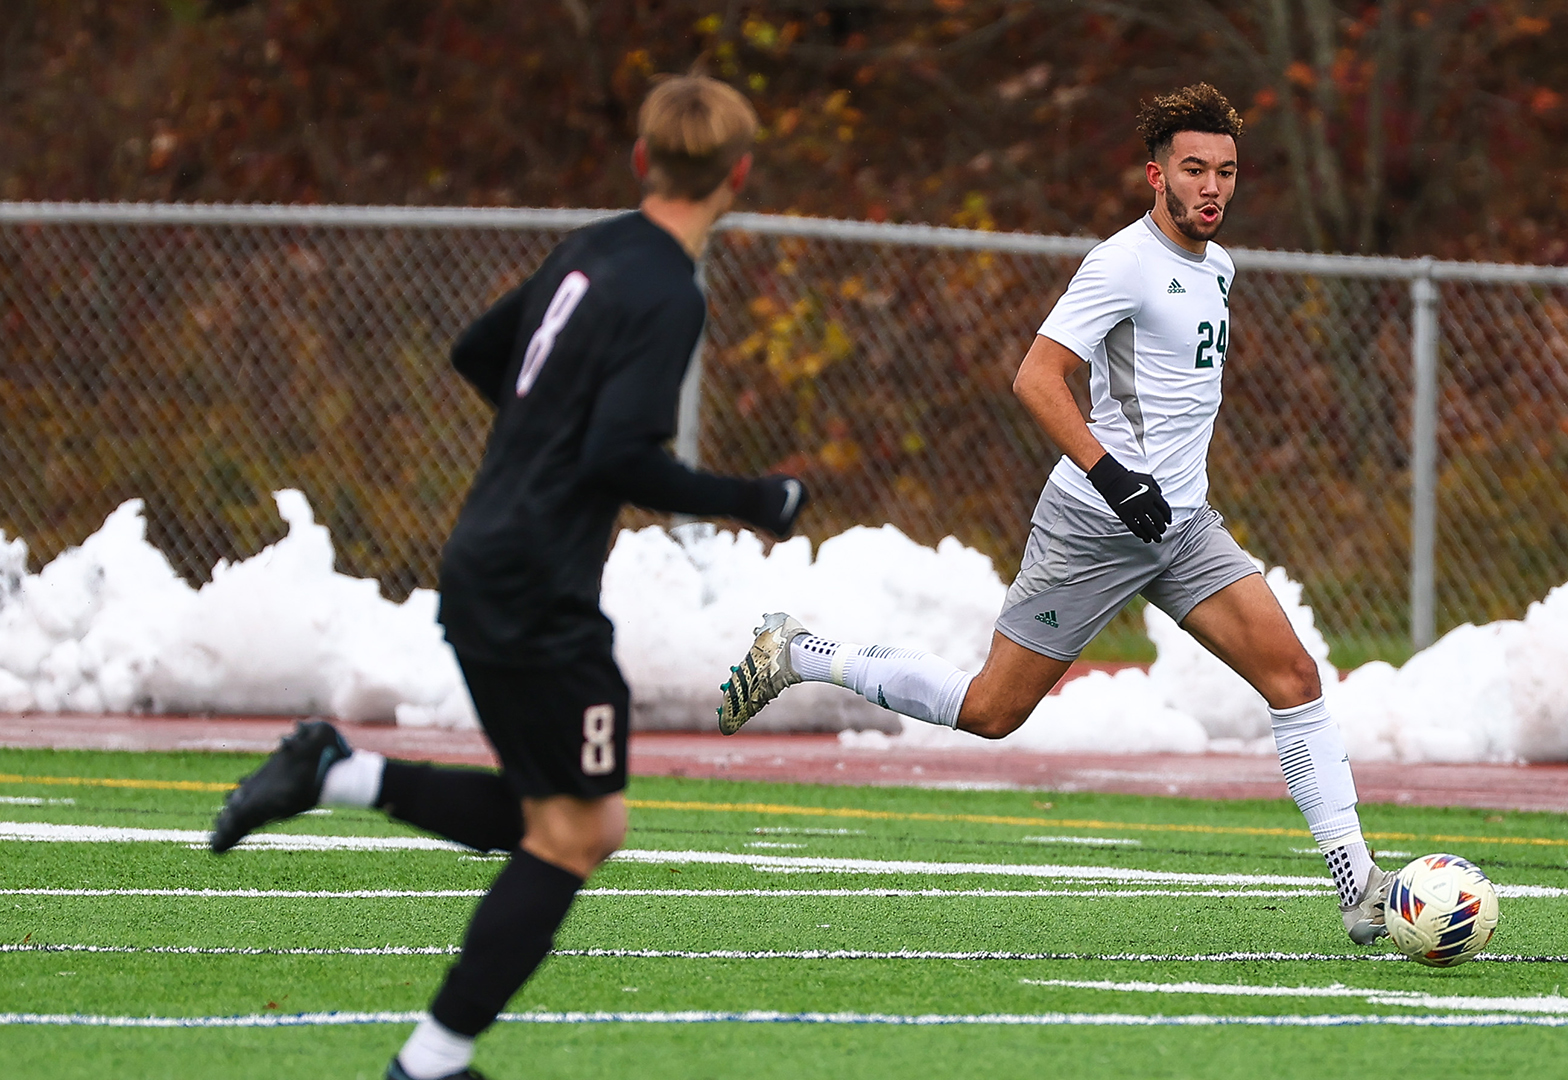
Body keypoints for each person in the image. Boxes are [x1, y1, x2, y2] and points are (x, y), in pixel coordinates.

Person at [207, 75, 808, 1080]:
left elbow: (479, 351)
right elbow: (621, 454)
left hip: (490, 554)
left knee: (564, 817)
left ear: (641, 160)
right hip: (534, 583)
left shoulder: (592, 246)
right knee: (577, 832)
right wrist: (756, 498)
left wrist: (541, 442)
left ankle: (333, 774)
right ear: (739, 174)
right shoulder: (667, 290)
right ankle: (431, 1062)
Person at [718, 83, 1391, 946]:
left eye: (1225, 170)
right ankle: (800, 651)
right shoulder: (1121, 263)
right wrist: (1115, 478)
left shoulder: (1220, 267)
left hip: (1183, 529)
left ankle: (1358, 885)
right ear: (1157, 175)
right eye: (1194, 169)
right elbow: (1036, 376)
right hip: (1097, 525)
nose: (1212, 186)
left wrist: (1161, 494)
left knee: (1295, 679)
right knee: (992, 712)